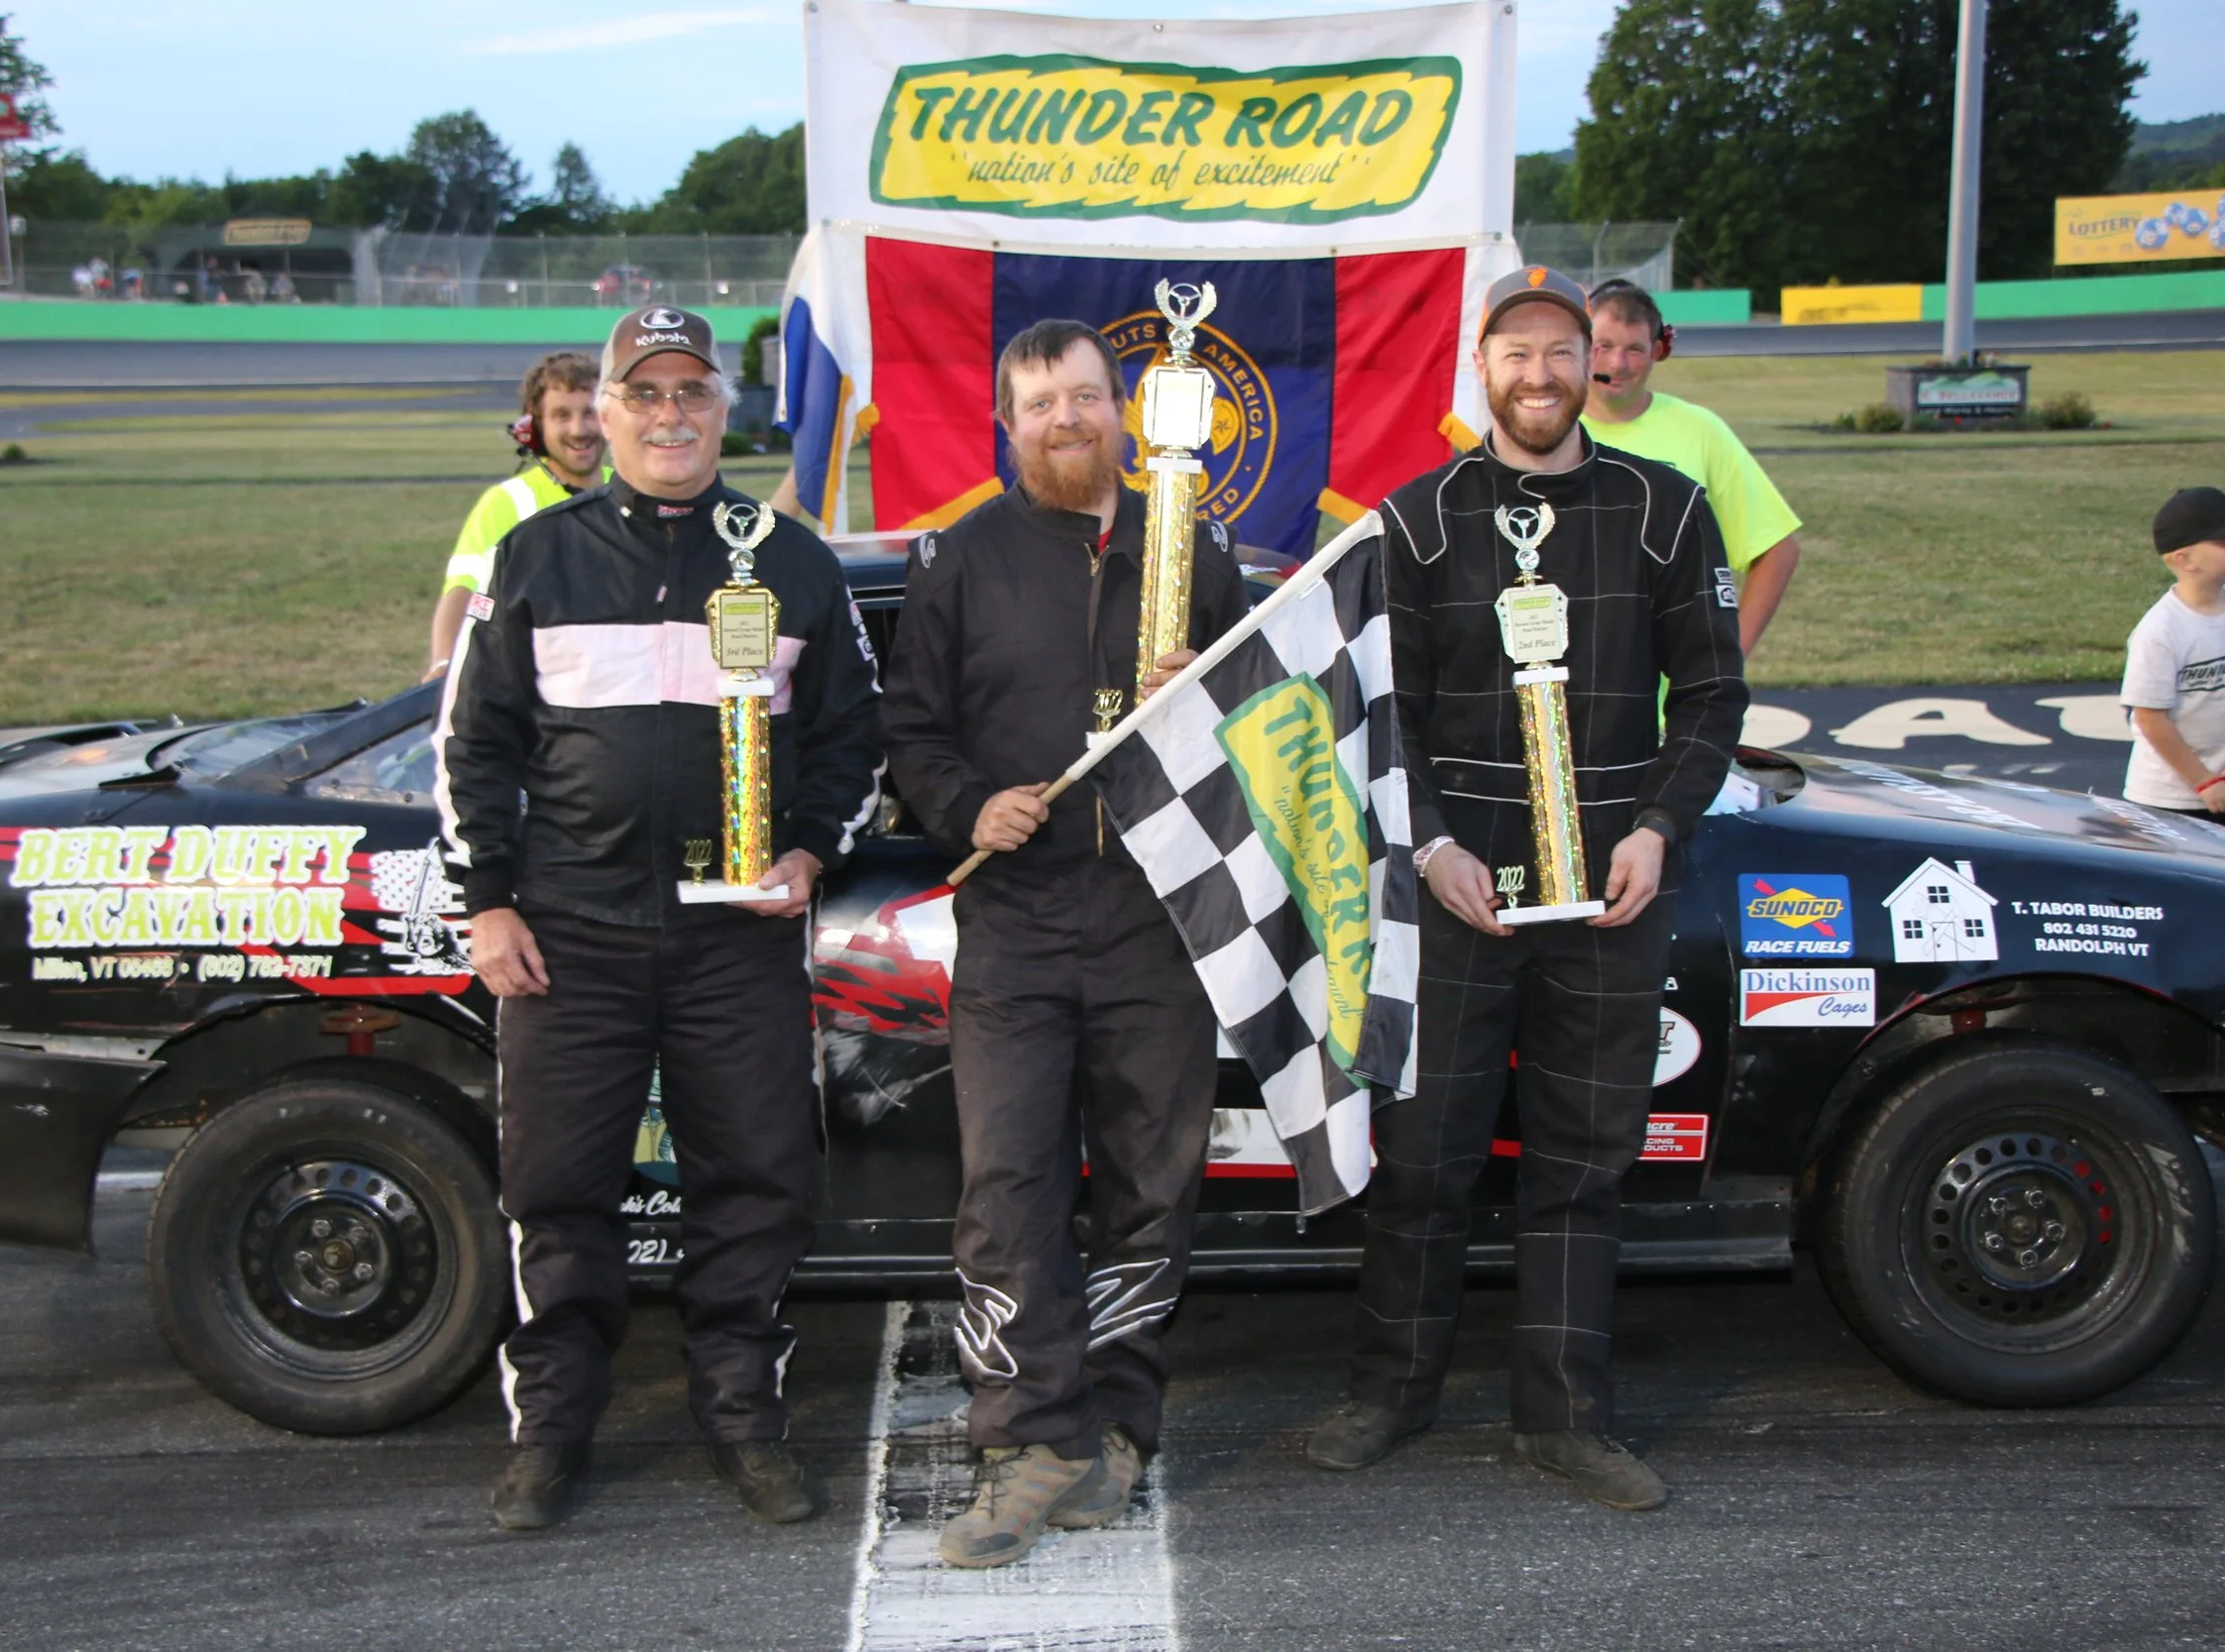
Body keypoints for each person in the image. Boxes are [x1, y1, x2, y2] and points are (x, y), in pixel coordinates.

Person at [1303, 267, 1745, 1510]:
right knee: (1425, 1152)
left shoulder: (1665, 509)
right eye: (1515, 353)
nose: (1539, 374)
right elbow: (1379, 712)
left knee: (1580, 1160)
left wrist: (1658, 826)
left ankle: (1565, 1417)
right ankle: (1388, 1391)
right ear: (1480, 367)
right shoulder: (1413, 520)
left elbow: (1714, 694)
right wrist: (1429, 844)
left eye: (1560, 350)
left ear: (1593, 362)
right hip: (1456, 885)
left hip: (1610, 883)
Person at [435, 305, 883, 1533]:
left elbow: (854, 733)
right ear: (605, 411)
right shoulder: (537, 555)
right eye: (645, 392)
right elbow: (473, 745)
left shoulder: (790, 559)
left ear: (723, 409)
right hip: (568, 935)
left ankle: (742, 1419)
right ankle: (552, 1431)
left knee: (755, 1182)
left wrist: (810, 844)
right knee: (557, 1188)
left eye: (692, 390)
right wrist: (488, 903)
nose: (670, 413)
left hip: (735, 937)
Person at [881, 318, 1249, 1569]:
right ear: (1007, 423)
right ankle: (1028, 1435)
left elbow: (1265, 720)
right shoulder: (958, 557)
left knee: (1152, 1183)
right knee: (1008, 1186)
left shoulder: (1193, 546)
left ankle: (1120, 1424)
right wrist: (963, 805)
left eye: (1086, 396)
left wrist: (1207, 694)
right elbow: (910, 731)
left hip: (1161, 920)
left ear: (1123, 410)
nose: (1066, 420)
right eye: (1039, 404)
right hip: (1018, 923)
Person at [1581, 279, 1801, 655]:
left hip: (1678, 683)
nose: (1617, 364)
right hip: (1572, 676)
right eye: (1603, 346)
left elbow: (1778, 550)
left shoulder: (1699, 430)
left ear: (1658, 351)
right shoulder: (1554, 430)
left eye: (1634, 349)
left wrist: (1728, 658)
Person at [424, 351, 609, 680]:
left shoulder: (634, 492)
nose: (579, 429)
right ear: (534, 427)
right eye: (561, 415)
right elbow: (463, 590)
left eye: (589, 412)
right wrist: (443, 666)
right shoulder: (507, 503)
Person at [2121, 487, 2225, 835]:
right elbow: (2150, 717)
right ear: (2185, 560)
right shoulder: (2160, 631)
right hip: (2169, 797)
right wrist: (2203, 781)